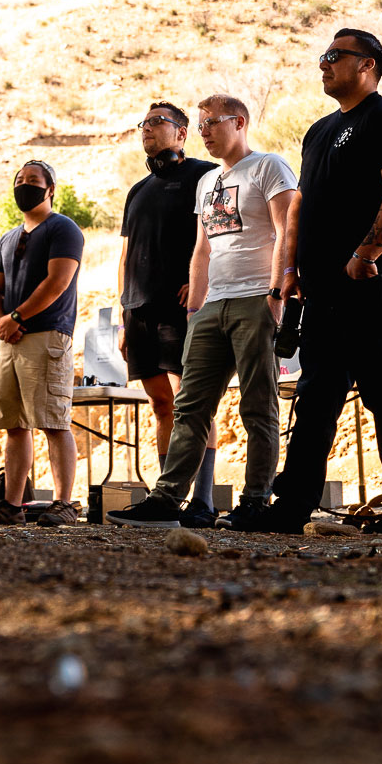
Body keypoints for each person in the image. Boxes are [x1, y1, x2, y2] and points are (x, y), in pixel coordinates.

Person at [263, 31, 382, 534]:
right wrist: (291, 270)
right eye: (323, 56)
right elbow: (302, 204)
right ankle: (291, 507)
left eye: (334, 56)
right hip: (319, 290)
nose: (324, 64)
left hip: (371, 278)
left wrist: (368, 252)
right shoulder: (318, 131)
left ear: (368, 65)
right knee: (316, 396)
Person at [110, 97, 297, 529]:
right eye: (201, 124)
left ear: (240, 122)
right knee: (189, 407)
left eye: (212, 122)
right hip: (211, 307)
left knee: (258, 406)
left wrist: (277, 291)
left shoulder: (269, 166)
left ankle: (254, 502)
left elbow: (289, 228)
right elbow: (203, 248)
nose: (205, 131)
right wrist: (195, 307)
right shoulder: (207, 181)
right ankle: (167, 499)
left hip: (256, 299)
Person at [116, 102, 220, 526]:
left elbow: (219, 232)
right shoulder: (137, 190)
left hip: (183, 307)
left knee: (194, 405)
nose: (148, 129)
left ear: (182, 133)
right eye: (144, 123)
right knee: (161, 404)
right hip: (138, 311)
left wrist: (201, 283)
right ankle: (166, 499)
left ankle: (204, 502)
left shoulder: (204, 175)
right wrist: (123, 312)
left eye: (158, 122)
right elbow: (125, 255)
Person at [0, 160, 85, 527]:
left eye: (34, 181)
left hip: (46, 334)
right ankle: (11, 504)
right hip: (8, 339)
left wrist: (18, 317)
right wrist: (1, 320)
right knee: (14, 425)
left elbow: (57, 282)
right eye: (20, 180)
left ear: (50, 188)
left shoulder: (64, 229)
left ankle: (64, 503)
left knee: (53, 421)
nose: (26, 185)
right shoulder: (7, 238)